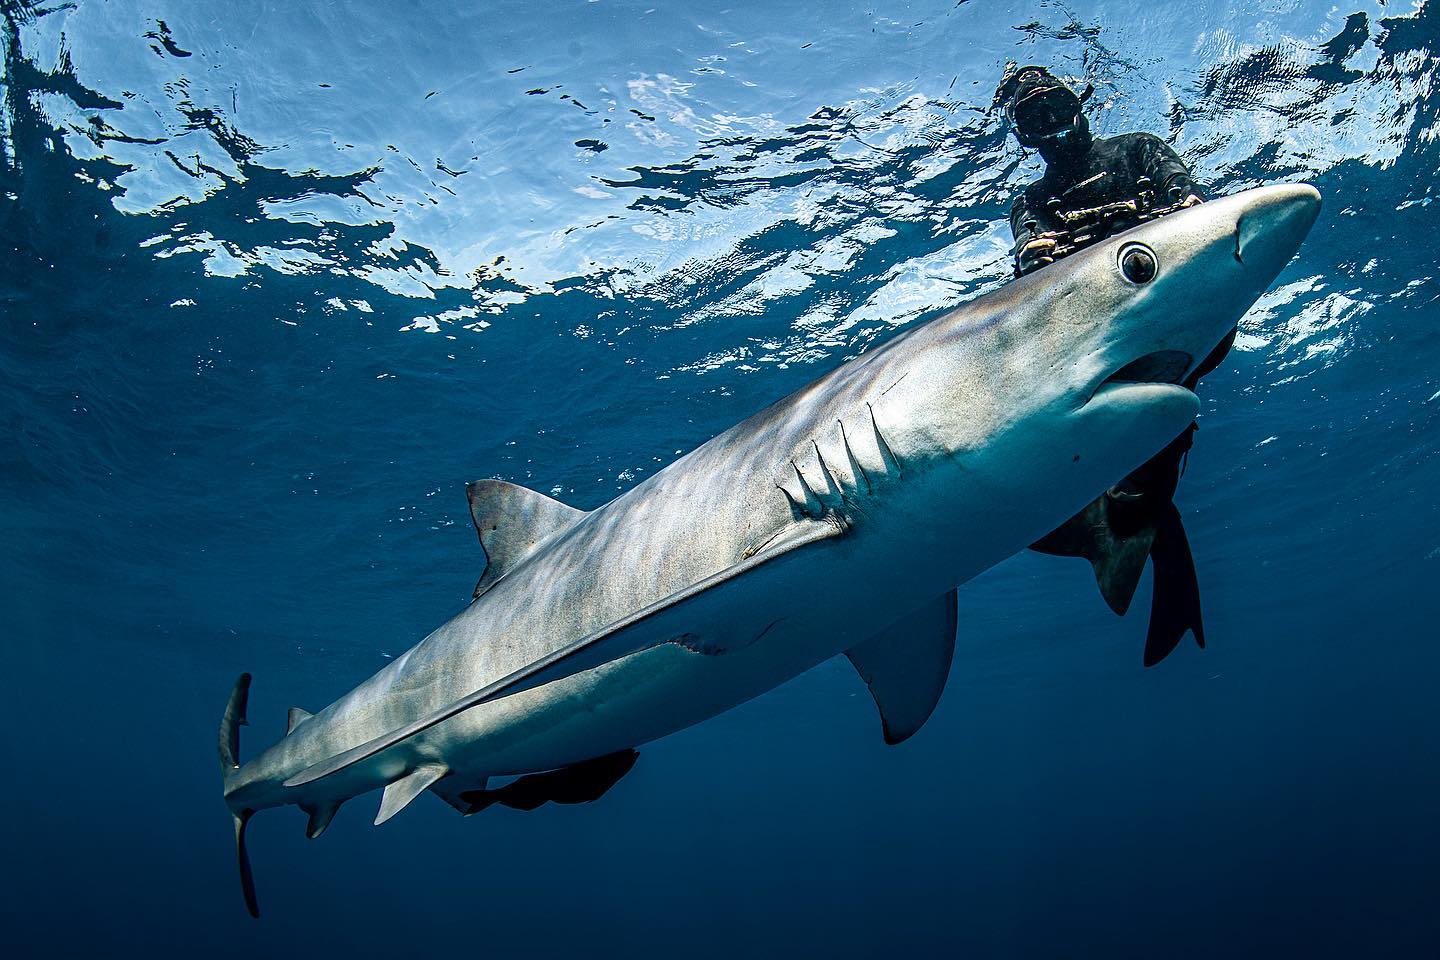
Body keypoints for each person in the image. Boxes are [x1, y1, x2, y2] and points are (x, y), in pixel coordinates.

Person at [995, 64, 1230, 666]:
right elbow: (1032, 275)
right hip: (1099, 352)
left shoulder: (1139, 151)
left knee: (1147, 470)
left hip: (1173, 331)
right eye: (1032, 120)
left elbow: (1194, 212)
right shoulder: (1031, 201)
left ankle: (1134, 524)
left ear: (1082, 101)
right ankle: (1134, 530)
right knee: (1135, 494)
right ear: (1021, 136)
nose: (1050, 126)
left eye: (1056, 107)